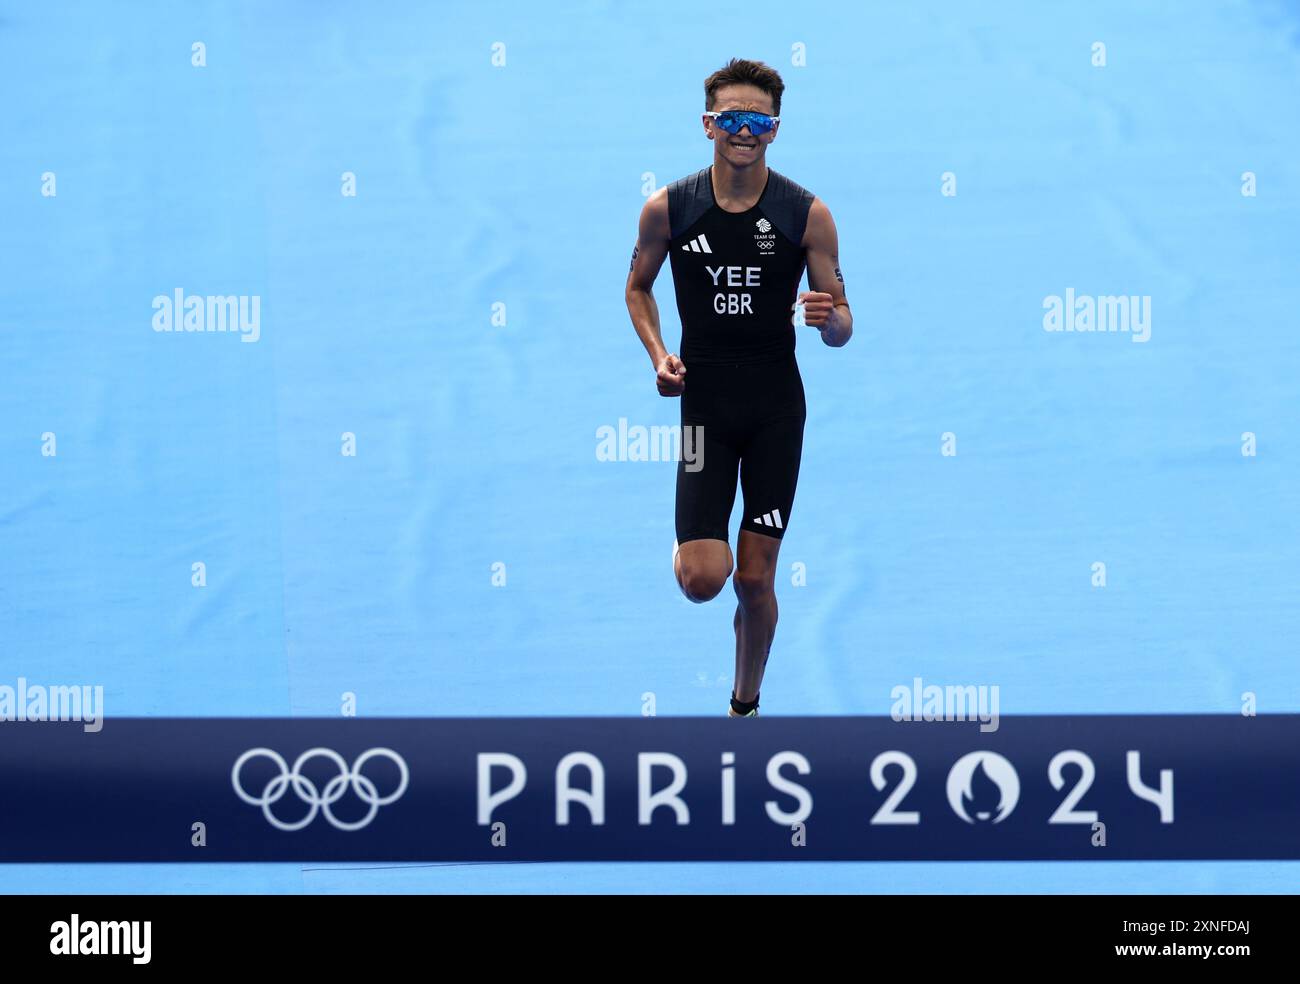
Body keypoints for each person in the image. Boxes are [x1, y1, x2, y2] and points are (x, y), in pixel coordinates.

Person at [624, 58, 852, 717]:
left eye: (758, 121)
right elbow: (637, 287)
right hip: (704, 412)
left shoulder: (806, 215)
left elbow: (842, 324)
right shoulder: (669, 209)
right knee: (702, 579)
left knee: (755, 580)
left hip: (777, 409)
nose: (744, 132)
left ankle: (744, 704)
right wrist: (659, 355)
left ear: (775, 131)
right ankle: (700, 537)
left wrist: (827, 317)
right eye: (732, 120)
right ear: (708, 125)